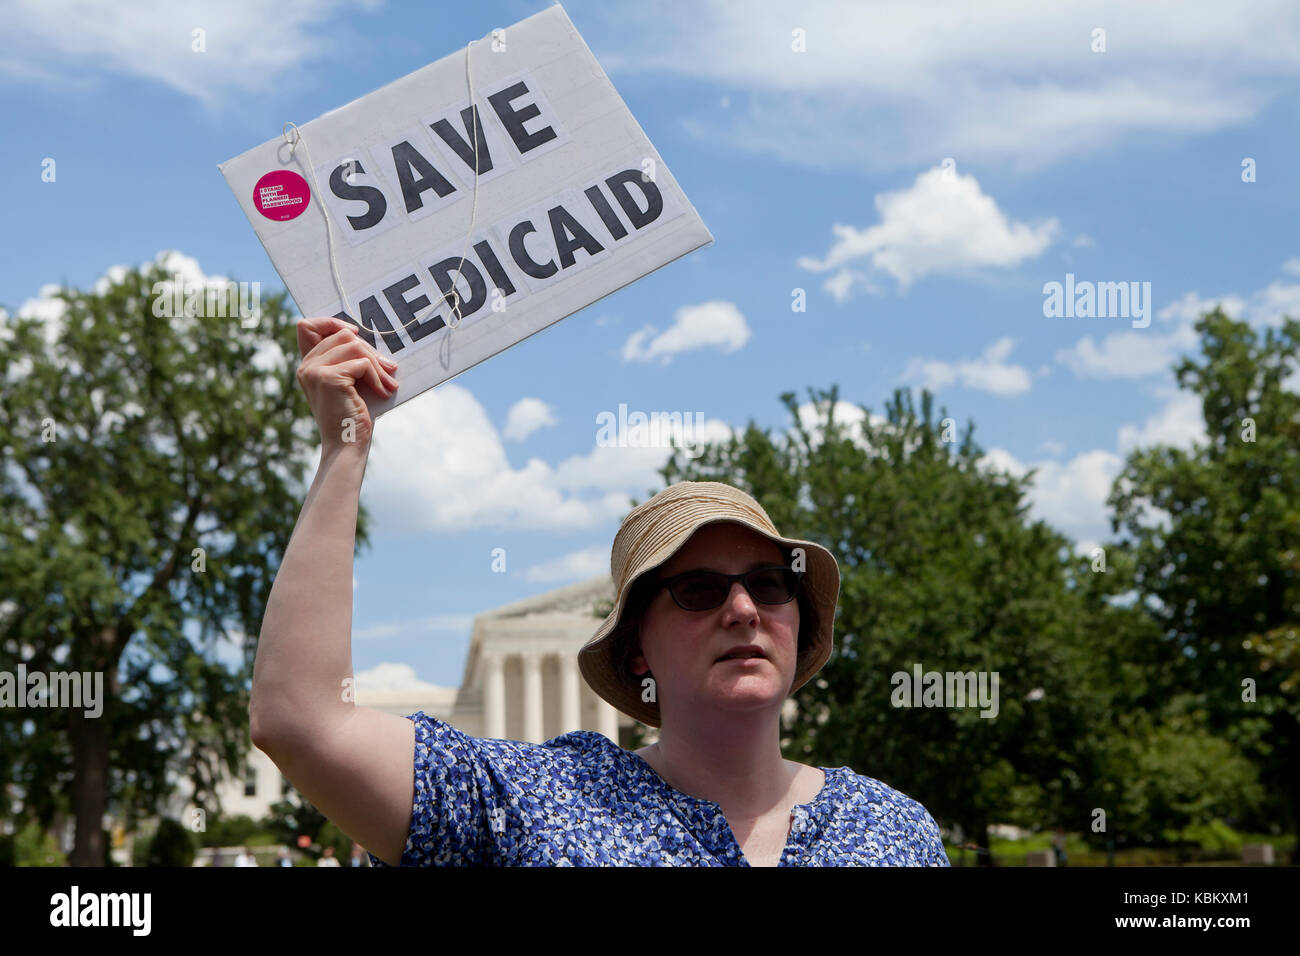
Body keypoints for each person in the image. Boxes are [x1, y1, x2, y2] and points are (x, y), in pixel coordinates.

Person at [250, 315, 949, 867]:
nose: (744, 610)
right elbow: (302, 724)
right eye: (699, 592)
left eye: (770, 585)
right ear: (636, 647)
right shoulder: (544, 805)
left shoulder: (893, 829)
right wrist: (346, 448)